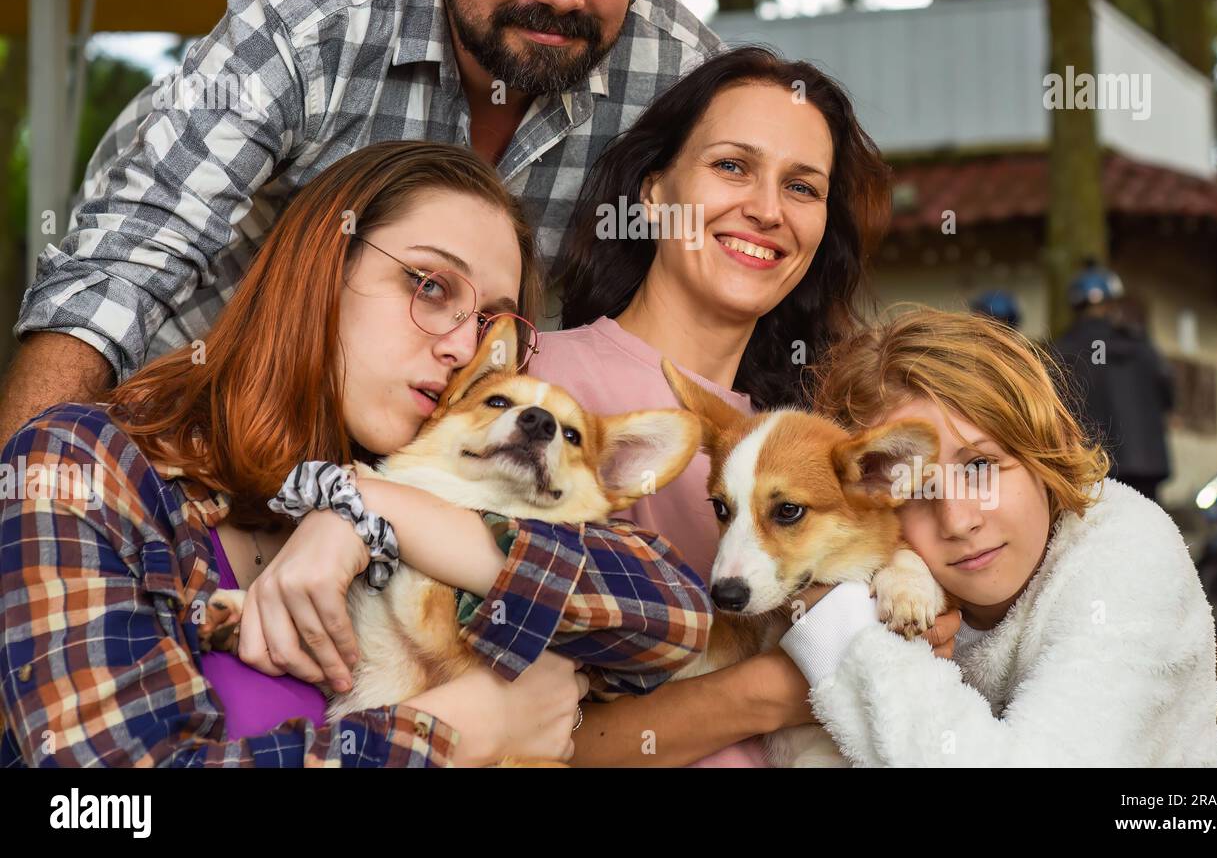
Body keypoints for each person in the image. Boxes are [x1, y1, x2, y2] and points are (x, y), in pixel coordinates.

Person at [1, 0, 738, 447]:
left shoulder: (683, 77)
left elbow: (752, 277)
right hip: (197, 385)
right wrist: (27, 495)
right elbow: (129, 259)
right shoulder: (315, 10)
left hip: (441, 443)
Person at [0, 142, 709, 768]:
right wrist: (460, 731)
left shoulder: (427, 497)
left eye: (494, 321)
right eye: (429, 286)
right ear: (319, 271)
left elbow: (673, 617)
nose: (464, 348)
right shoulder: (78, 467)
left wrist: (365, 507)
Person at [528, 46, 961, 767]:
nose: (765, 210)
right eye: (732, 165)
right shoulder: (540, 386)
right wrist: (787, 683)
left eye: (802, 187)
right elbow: (526, 739)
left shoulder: (795, 433)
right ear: (654, 190)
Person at [778, 306, 1217, 768]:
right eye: (913, 491)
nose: (958, 521)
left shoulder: (1130, 555)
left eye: (980, 466)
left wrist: (842, 633)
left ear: (1044, 447)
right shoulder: (890, 570)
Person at [1050, 261, 1175, 503]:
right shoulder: (1141, 346)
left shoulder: (1061, 351)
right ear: (1112, 304)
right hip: (1145, 464)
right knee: (1148, 532)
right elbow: (1167, 389)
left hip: (1091, 466)